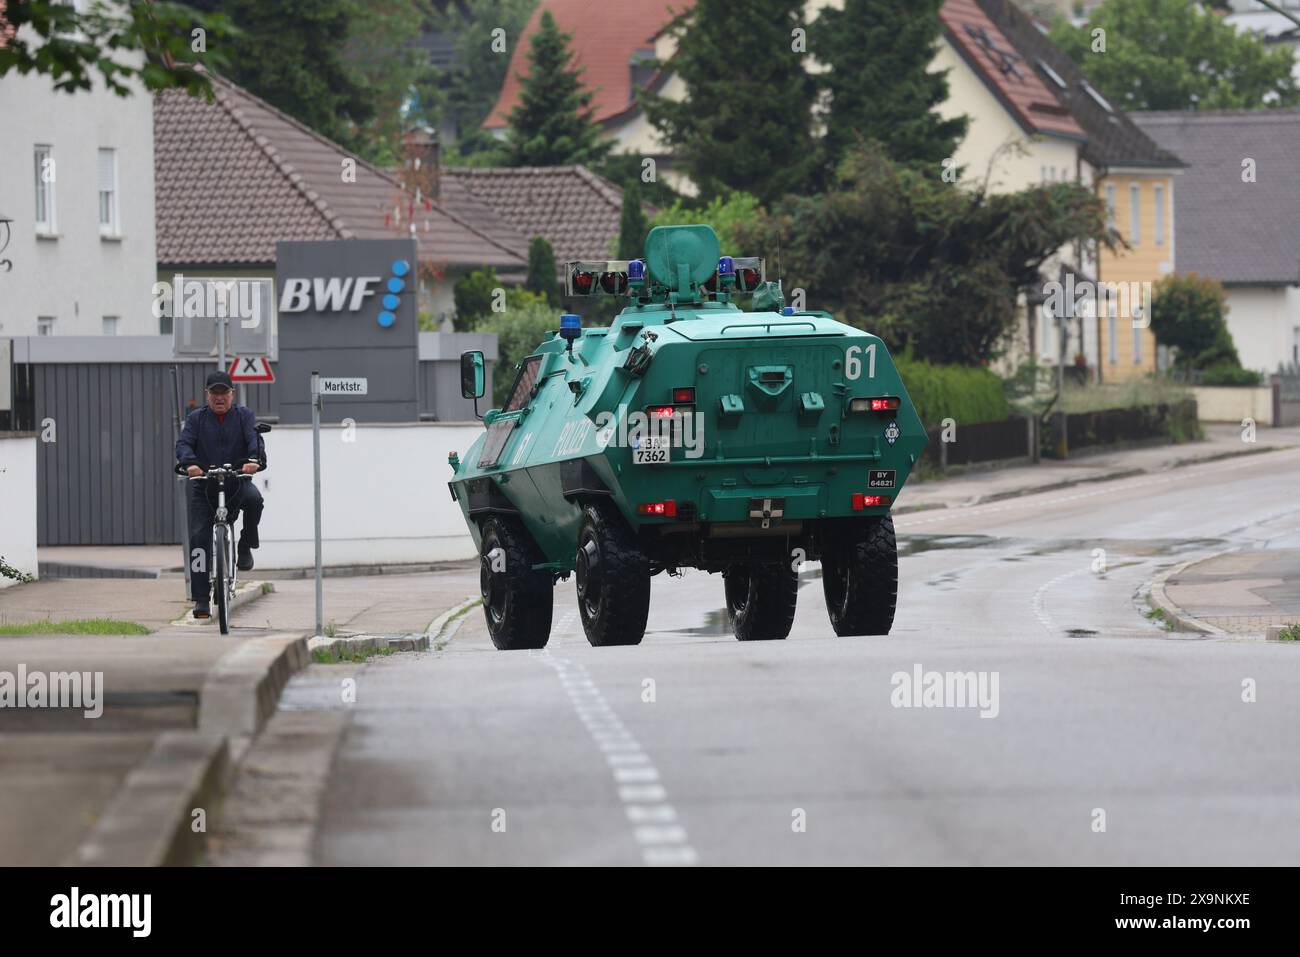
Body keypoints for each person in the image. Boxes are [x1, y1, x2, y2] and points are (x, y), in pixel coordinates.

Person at [175, 371, 266, 618]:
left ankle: (246, 545)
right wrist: (190, 463)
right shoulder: (196, 419)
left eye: (223, 393)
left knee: (255, 500)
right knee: (198, 538)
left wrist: (254, 461)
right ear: (207, 395)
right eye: (214, 393)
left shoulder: (244, 416)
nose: (219, 398)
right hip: (204, 486)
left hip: (237, 481)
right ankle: (202, 600)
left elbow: (254, 441)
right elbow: (183, 444)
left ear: (231, 394)